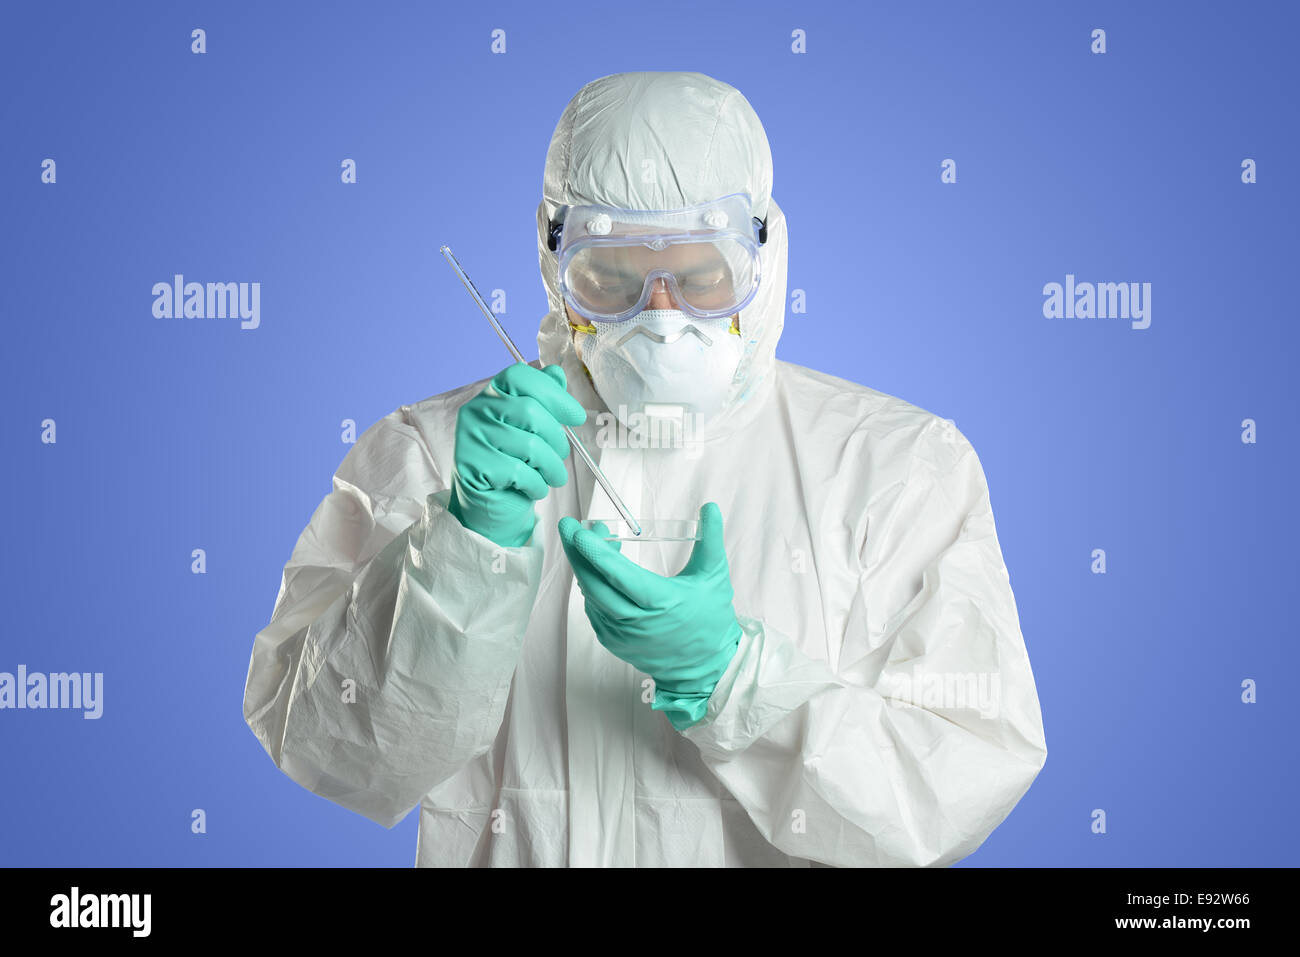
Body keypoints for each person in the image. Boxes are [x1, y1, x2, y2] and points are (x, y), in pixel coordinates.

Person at [242, 71, 1047, 867]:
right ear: (554, 255)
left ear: (765, 253)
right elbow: (327, 753)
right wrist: (459, 554)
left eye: (702, 279)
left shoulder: (893, 466)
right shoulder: (434, 451)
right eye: (613, 279)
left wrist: (733, 677)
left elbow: (955, 789)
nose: (661, 317)